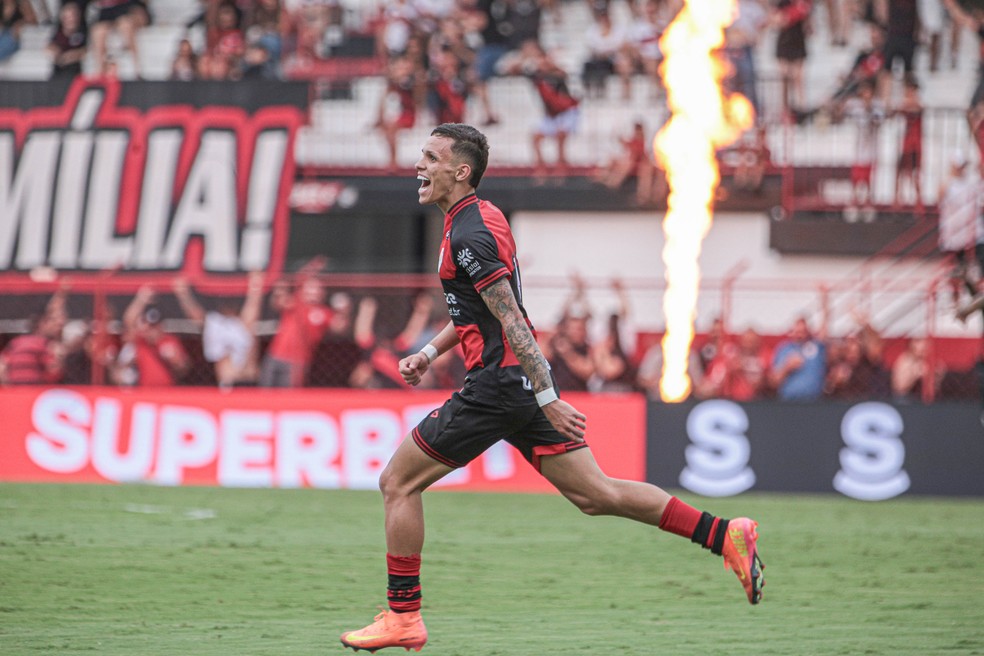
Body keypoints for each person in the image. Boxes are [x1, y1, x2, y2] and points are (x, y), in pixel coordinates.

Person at [338, 123, 764, 653]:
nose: (418, 166)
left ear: (460, 171)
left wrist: (547, 396)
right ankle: (725, 535)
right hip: (512, 384)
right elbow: (479, 311)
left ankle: (403, 616)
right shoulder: (481, 218)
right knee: (597, 494)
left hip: (497, 387)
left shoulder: (467, 235)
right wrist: (428, 353)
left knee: (398, 483)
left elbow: (513, 320)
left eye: (430, 157)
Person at [502, 39, 580, 180]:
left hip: (565, 112)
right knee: (535, 137)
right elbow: (512, 70)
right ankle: (541, 167)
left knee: (561, 135)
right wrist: (524, 57)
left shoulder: (557, 74)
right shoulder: (536, 76)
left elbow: (565, 83)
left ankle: (561, 167)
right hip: (551, 114)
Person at [172, 272, 264, 388]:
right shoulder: (214, 324)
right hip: (228, 383)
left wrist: (256, 283)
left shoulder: (243, 324)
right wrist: (183, 294)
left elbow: (253, 304)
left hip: (248, 381)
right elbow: (195, 315)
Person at [259, 261, 333, 388]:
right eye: (309, 288)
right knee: (265, 391)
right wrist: (311, 268)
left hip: (297, 362)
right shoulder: (296, 303)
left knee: (289, 396)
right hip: (275, 355)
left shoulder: (323, 313)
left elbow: (337, 325)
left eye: (316, 289)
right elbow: (297, 282)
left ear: (322, 292)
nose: (312, 292)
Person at [114, 286, 190, 387]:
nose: (151, 330)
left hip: (168, 390)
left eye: (154, 326)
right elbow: (129, 321)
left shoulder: (170, 340)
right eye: (149, 326)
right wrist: (141, 299)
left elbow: (184, 368)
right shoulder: (140, 341)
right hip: (145, 391)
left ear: (160, 326)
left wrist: (176, 361)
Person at [0, 284, 67, 385]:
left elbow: (2, 366)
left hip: (14, 393)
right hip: (36, 392)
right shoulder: (46, 345)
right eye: (53, 321)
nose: (59, 324)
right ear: (42, 323)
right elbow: (54, 371)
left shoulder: (16, 342)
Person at [769, 315, 827, 400]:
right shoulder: (784, 349)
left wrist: (825, 307)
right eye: (797, 331)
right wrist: (787, 367)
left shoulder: (816, 347)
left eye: (803, 331)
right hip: (789, 402)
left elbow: (824, 332)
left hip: (813, 402)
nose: (800, 335)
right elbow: (773, 382)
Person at [893, 76, 923, 208]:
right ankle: (897, 198)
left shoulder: (916, 104)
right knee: (900, 170)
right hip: (906, 143)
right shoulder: (907, 104)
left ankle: (918, 199)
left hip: (915, 144)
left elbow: (916, 108)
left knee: (914, 173)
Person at [46, 2, 87, 79]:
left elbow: (86, 50)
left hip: (75, 72)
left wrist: (70, 57)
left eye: (74, 16)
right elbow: (49, 47)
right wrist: (55, 52)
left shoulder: (83, 31)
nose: (71, 19)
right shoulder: (58, 32)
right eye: (68, 17)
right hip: (58, 72)